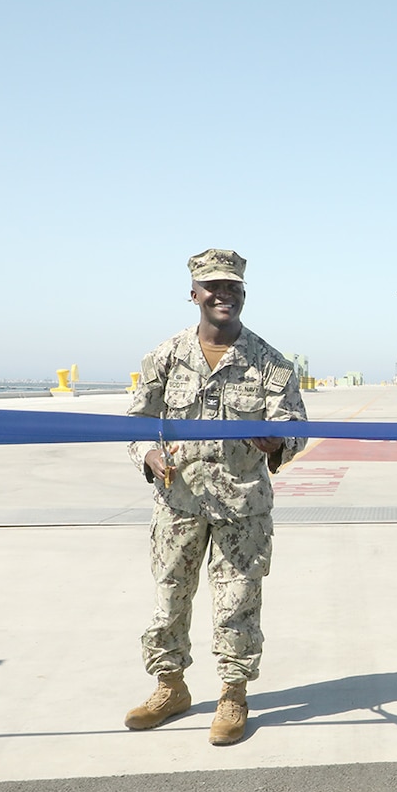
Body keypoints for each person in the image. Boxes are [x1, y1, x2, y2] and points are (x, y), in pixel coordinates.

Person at [123, 248, 307, 745]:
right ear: (195, 294)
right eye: (214, 287)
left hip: (242, 508)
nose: (223, 295)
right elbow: (138, 421)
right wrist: (148, 455)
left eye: (233, 288)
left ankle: (233, 694)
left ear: (243, 294)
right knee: (168, 601)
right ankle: (170, 687)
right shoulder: (164, 356)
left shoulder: (271, 363)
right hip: (177, 504)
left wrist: (279, 444)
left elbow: (295, 427)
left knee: (237, 604)